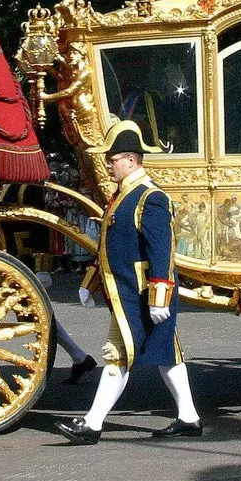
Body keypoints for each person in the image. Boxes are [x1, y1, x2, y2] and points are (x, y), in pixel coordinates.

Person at [54, 120, 202, 445]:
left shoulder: (151, 197)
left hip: (143, 297)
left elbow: (162, 251)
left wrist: (160, 295)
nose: (108, 164)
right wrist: (89, 283)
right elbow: (111, 247)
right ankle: (189, 416)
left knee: (117, 357)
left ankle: (92, 424)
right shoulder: (123, 196)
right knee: (167, 355)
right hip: (130, 296)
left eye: (113, 158)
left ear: (131, 160)